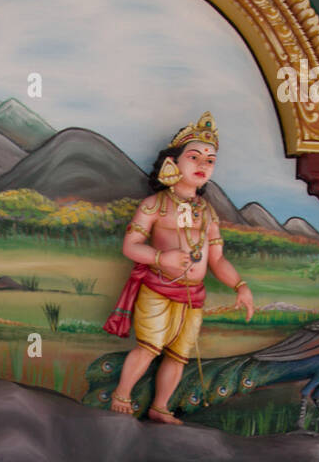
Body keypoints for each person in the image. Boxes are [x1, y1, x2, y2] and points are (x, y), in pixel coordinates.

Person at [104, 111, 254, 423]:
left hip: (193, 296)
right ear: (173, 162)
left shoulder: (208, 212)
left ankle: (160, 407)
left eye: (210, 160)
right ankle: (122, 394)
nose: (203, 165)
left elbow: (217, 259)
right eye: (195, 157)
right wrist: (162, 258)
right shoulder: (154, 204)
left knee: (178, 355)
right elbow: (130, 247)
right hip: (158, 288)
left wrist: (239, 286)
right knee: (149, 347)